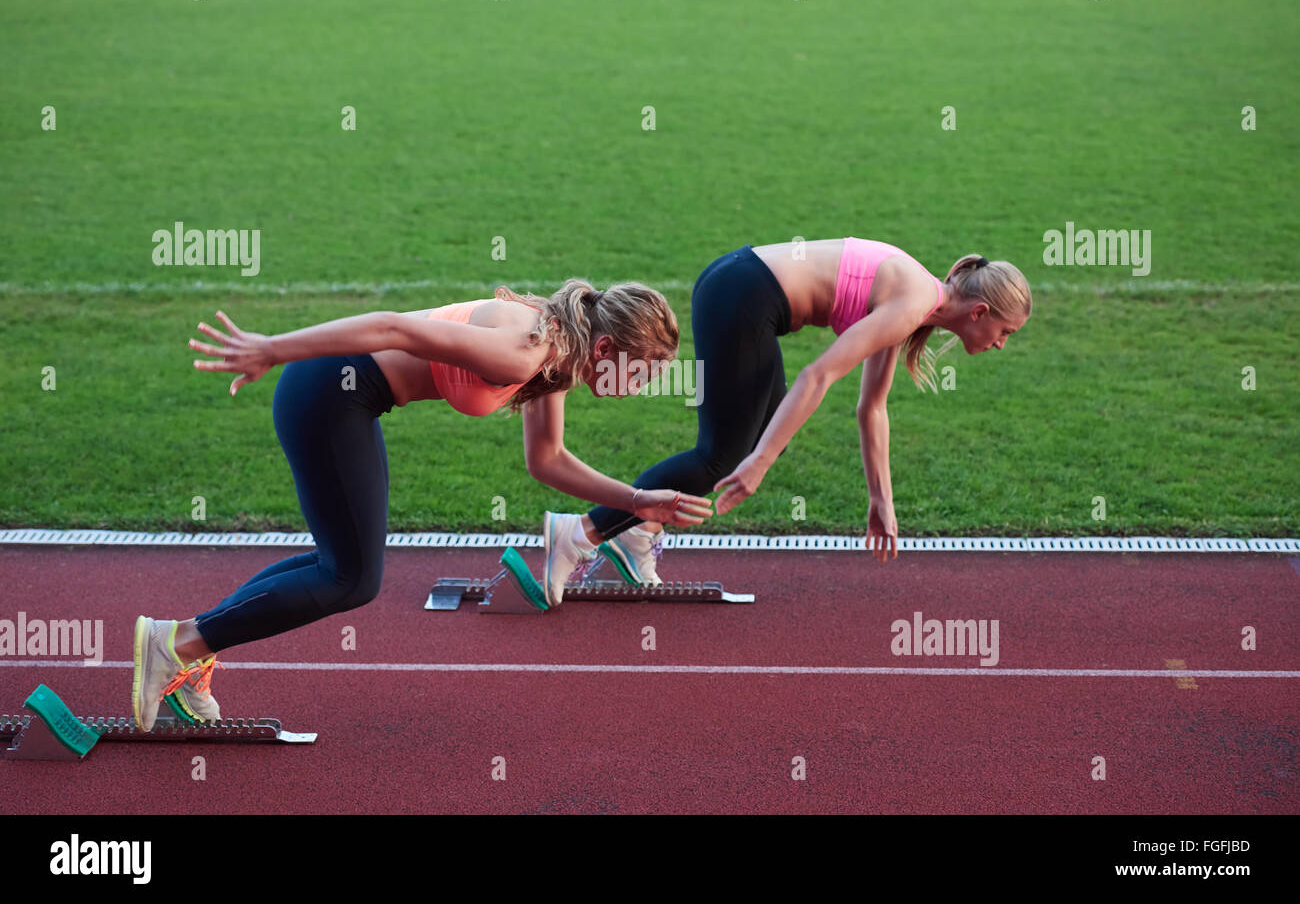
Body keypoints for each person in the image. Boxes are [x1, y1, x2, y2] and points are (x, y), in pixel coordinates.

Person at [131, 281, 713, 730]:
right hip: (330, 390)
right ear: (607, 347)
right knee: (349, 578)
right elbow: (394, 327)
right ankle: (178, 644)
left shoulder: (559, 350)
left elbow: (548, 460)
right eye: (640, 373)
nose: (639, 387)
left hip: (345, 396)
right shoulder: (525, 351)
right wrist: (272, 350)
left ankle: (185, 648)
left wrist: (638, 501)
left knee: (341, 566)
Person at [541, 238, 1031, 596]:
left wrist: (881, 500)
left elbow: (871, 408)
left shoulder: (916, 301)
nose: (1001, 343)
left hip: (740, 287)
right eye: (1004, 331)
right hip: (742, 296)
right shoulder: (913, 302)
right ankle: (579, 533)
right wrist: (760, 464)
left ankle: (636, 531)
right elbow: (817, 376)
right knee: (723, 458)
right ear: (981, 311)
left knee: (760, 425)